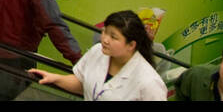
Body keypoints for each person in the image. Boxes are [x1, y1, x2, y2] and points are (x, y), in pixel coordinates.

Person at [29, 10, 167, 100]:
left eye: (113, 37)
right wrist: (55, 78)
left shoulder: (149, 83)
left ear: (131, 45)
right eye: (105, 32)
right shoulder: (97, 51)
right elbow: (83, 83)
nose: (105, 39)